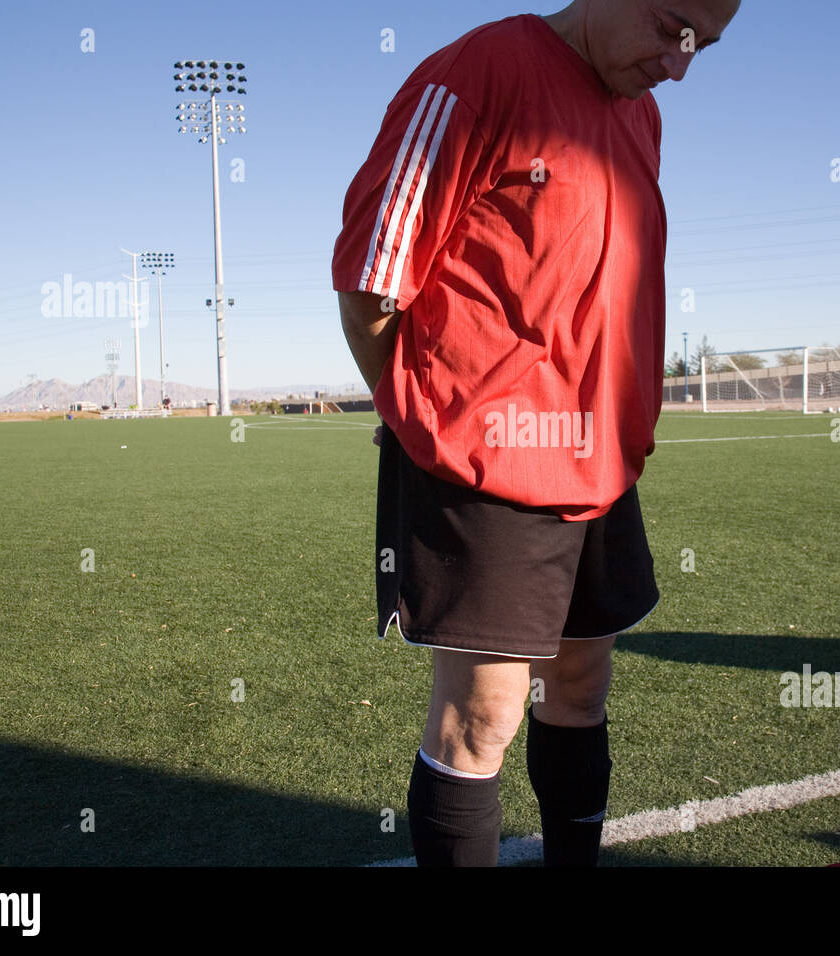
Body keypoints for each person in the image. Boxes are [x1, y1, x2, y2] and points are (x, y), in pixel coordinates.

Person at [333, 0, 740, 866]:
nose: (680, 63)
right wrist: (426, 420)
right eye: (673, 27)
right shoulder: (478, 73)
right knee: (482, 717)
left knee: (582, 687)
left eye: (702, 42)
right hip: (486, 462)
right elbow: (373, 278)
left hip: (601, 463)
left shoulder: (643, 116)